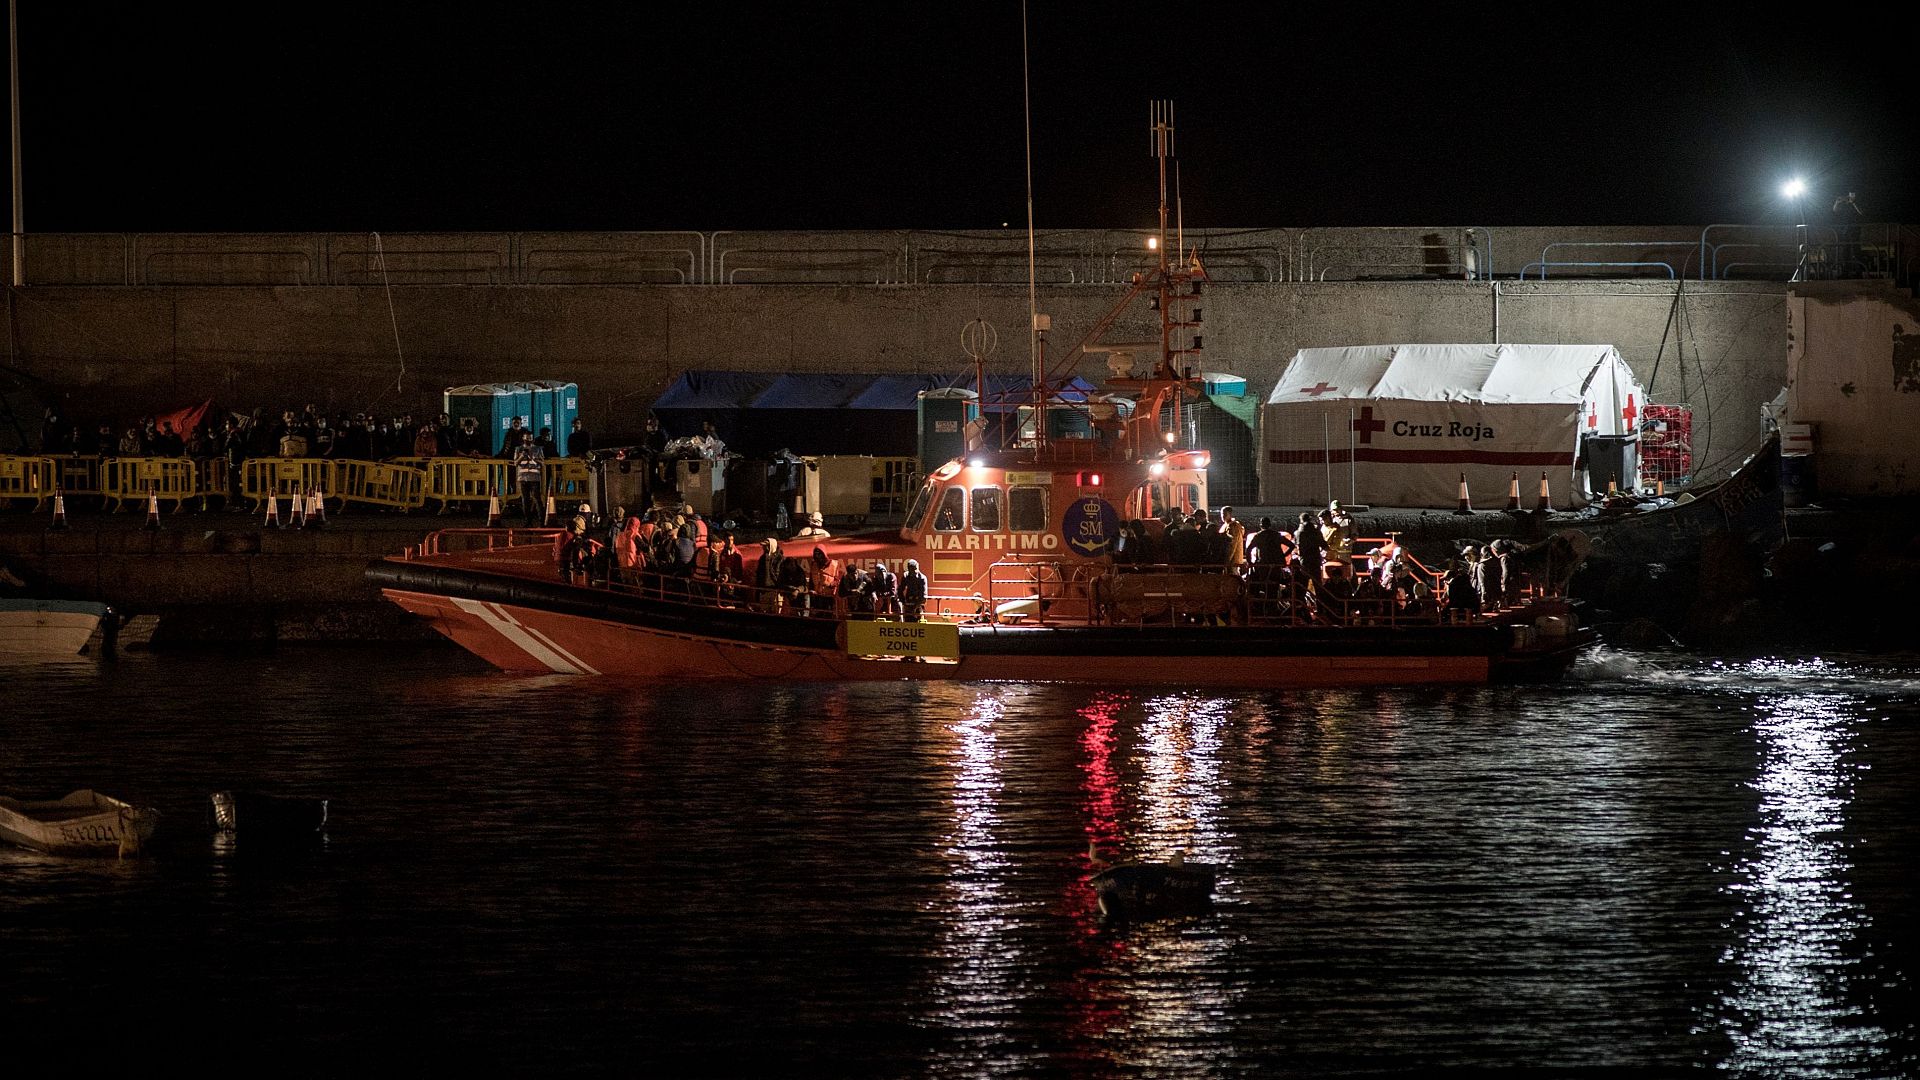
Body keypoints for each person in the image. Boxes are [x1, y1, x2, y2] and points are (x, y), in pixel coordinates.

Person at [511, 431, 545, 526]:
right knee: (525, 500)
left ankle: (541, 521)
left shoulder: (538, 449)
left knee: (537, 499)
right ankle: (528, 521)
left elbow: (543, 463)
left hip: (534, 478)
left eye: (530, 438)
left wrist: (534, 458)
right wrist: (522, 456)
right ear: (523, 438)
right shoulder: (518, 449)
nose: (528, 440)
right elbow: (515, 463)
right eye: (526, 438)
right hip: (523, 478)